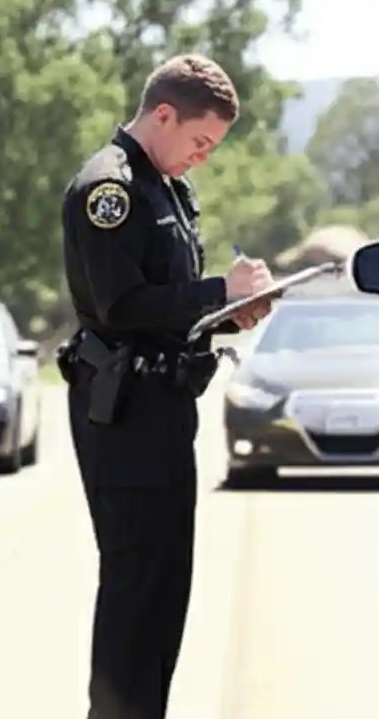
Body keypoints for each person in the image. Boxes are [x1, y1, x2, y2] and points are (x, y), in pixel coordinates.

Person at [57, 54, 274, 719]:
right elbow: (120, 305)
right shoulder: (110, 189)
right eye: (199, 141)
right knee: (135, 585)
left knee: (165, 588)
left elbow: (169, 302)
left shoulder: (169, 190)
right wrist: (218, 290)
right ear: (162, 115)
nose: (202, 158)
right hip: (121, 411)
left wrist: (228, 309)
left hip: (164, 407)